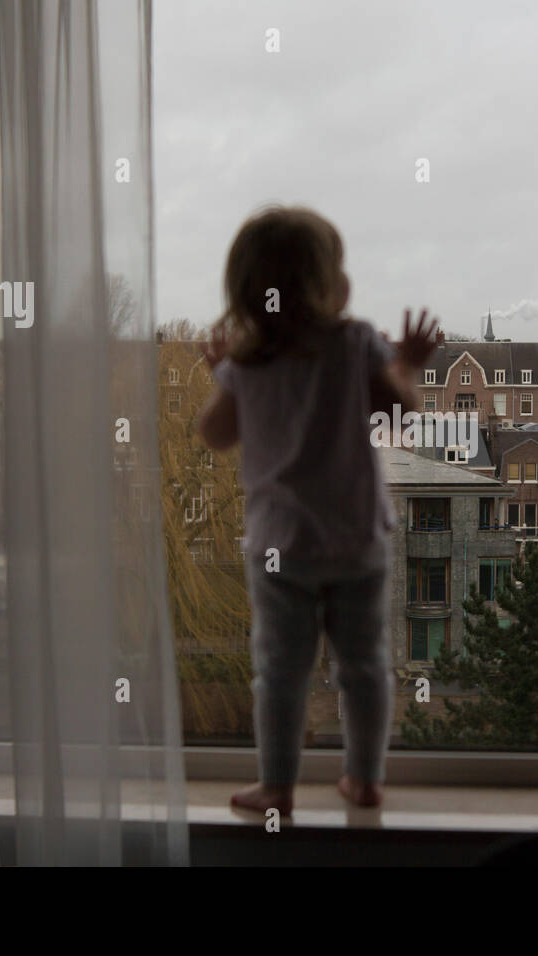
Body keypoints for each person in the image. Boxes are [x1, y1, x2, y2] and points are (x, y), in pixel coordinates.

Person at [196, 204, 438, 815]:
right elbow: (400, 409)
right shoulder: (353, 343)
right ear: (329, 283)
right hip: (357, 541)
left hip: (282, 548)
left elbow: (216, 434)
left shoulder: (248, 363)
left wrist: (224, 376)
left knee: (280, 673)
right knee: (365, 666)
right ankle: (364, 778)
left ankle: (276, 788)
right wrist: (408, 362)